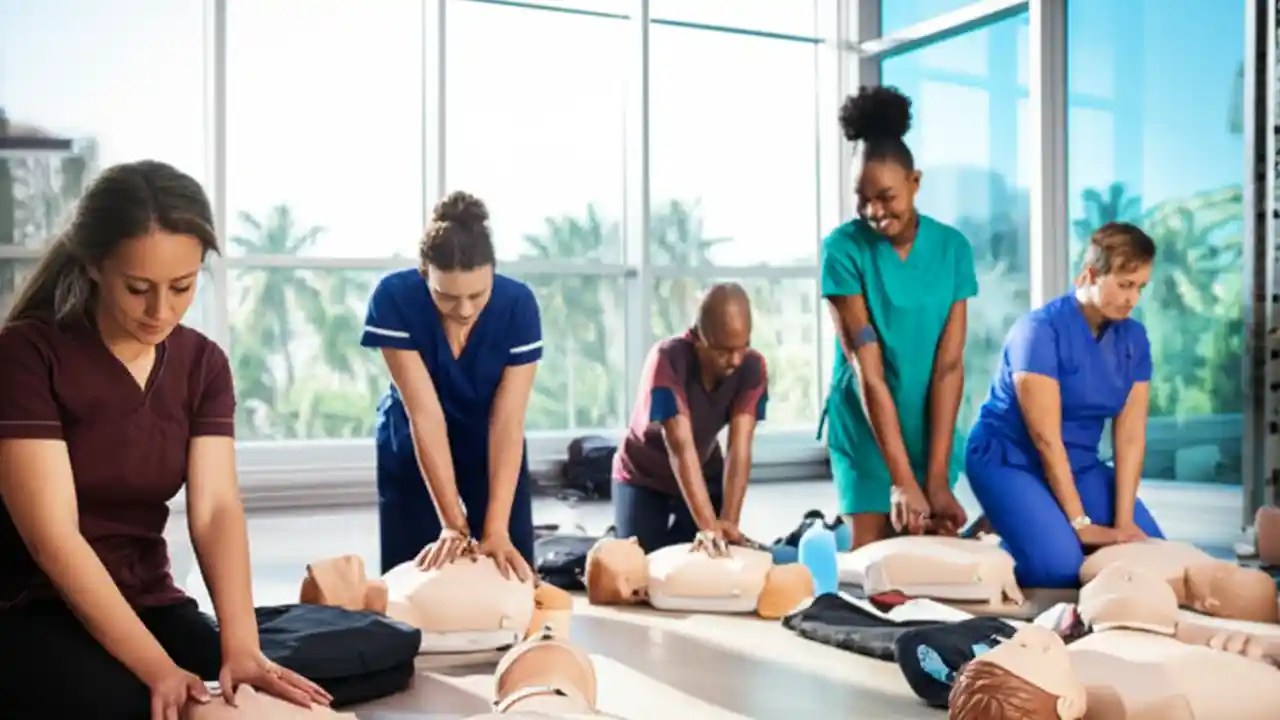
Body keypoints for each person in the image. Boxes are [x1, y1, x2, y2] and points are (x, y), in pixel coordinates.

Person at [0, 160, 328, 720]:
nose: (161, 311)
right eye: (138, 289)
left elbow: (216, 509)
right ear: (95, 266)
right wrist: (158, 669)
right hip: (35, 606)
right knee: (143, 706)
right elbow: (54, 538)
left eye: (182, 287)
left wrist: (242, 645)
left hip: (148, 597)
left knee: (284, 689)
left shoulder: (202, 363)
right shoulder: (27, 356)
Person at [965, 222, 1165, 589]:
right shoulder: (1038, 332)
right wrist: (1081, 525)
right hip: (1010, 459)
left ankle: (1031, 517)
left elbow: (1131, 438)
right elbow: (1046, 440)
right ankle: (1002, 531)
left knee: (1149, 552)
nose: (1132, 299)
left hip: (1080, 464)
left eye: (1139, 287)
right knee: (1059, 567)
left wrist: (1122, 526)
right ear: (1089, 275)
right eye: (1124, 284)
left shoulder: (1134, 339)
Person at [819, 85, 977, 549]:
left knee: (930, 559)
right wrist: (901, 480)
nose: (874, 211)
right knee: (874, 563)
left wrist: (935, 479)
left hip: (930, 422)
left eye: (886, 196)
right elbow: (868, 374)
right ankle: (810, 544)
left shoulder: (952, 250)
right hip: (867, 423)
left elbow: (949, 367)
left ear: (915, 182)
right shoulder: (843, 249)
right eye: (862, 198)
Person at [362, 191, 541, 581]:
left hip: (490, 445)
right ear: (425, 274)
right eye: (446, 297)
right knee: (417, 583)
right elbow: (424, 415)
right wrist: (452, 523)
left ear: (493, 271)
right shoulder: (393, 299)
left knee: (509, 575)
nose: (464, 310)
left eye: (478, 295)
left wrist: (494, 528)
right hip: (415, 447)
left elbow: (508, 421)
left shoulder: (518, 305)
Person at [611, 283, 769, 555]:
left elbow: (739, 447)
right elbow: (680, 447)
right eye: (722, 351)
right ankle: (613, 537)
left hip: (704, 471)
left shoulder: (752, 366)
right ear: (697, 338)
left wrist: (728, 523)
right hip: (643, 474)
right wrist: (709, 528)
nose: (734, 360)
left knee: (701, 561)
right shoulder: (667, 358)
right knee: (643, 564)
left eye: (742, 347)